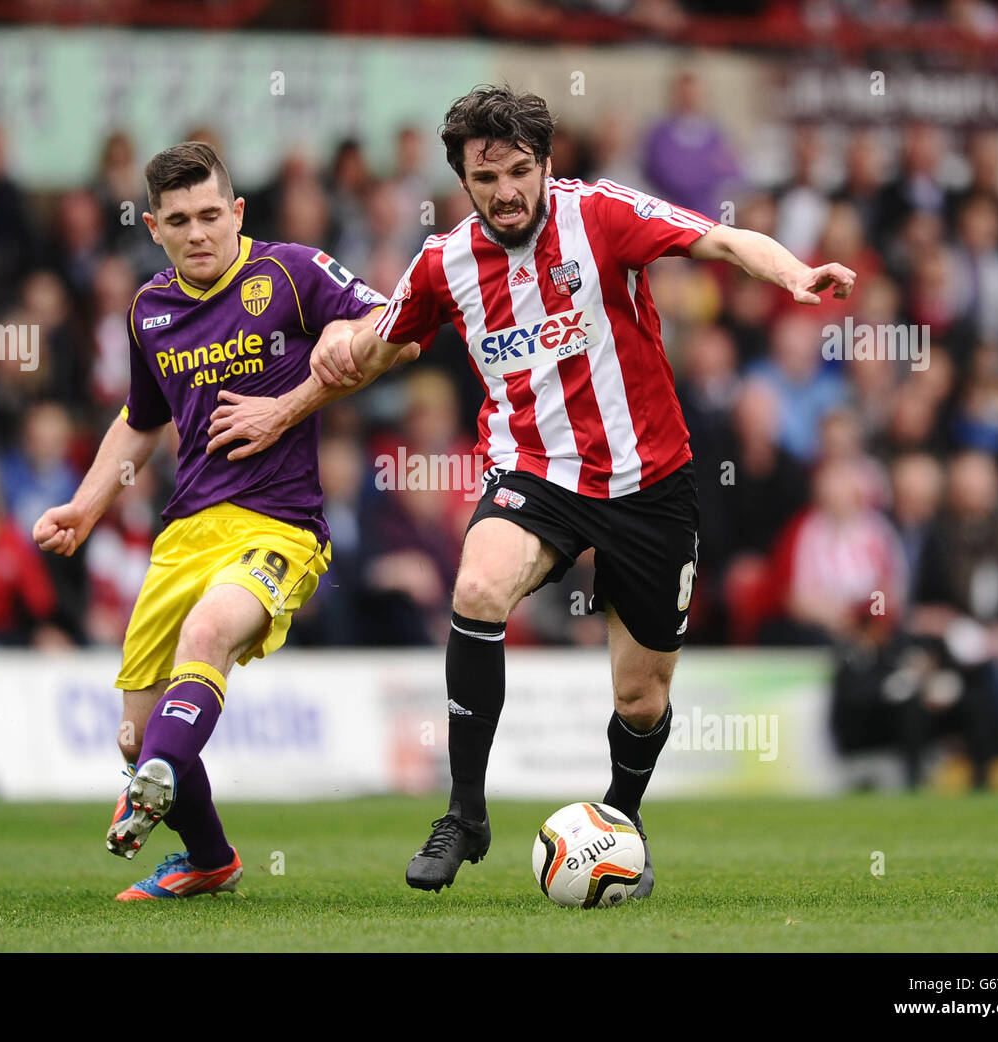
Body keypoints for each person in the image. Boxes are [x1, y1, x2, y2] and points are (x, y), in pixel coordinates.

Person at [206, 86, 855, 895]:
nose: (507, 190)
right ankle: (465, 813)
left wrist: (794, 273)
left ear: (546, 164)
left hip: (647, 481)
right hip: (533, 471)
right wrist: (285, 407)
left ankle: (622, 821)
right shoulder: (443, 263)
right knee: (477, 585)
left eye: (520, 170)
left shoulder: (603, 215)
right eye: (487, 177)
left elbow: (720, 240)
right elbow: (372, 353)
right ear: (463, 181)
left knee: (642, 696)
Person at [33, 142, 403, 901]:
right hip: (184, 533)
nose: (198, 232)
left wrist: (319, 366)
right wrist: (86, 502)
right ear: (153, 227)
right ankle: (207, 857)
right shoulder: (149, 311)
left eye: (211, 215)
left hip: (279, 524)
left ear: (237, 213)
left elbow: (394, 328)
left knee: (207, 639)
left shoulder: (291, 273)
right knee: (138, 736)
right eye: (179, 221)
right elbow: (140, 420)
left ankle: (153, 788)